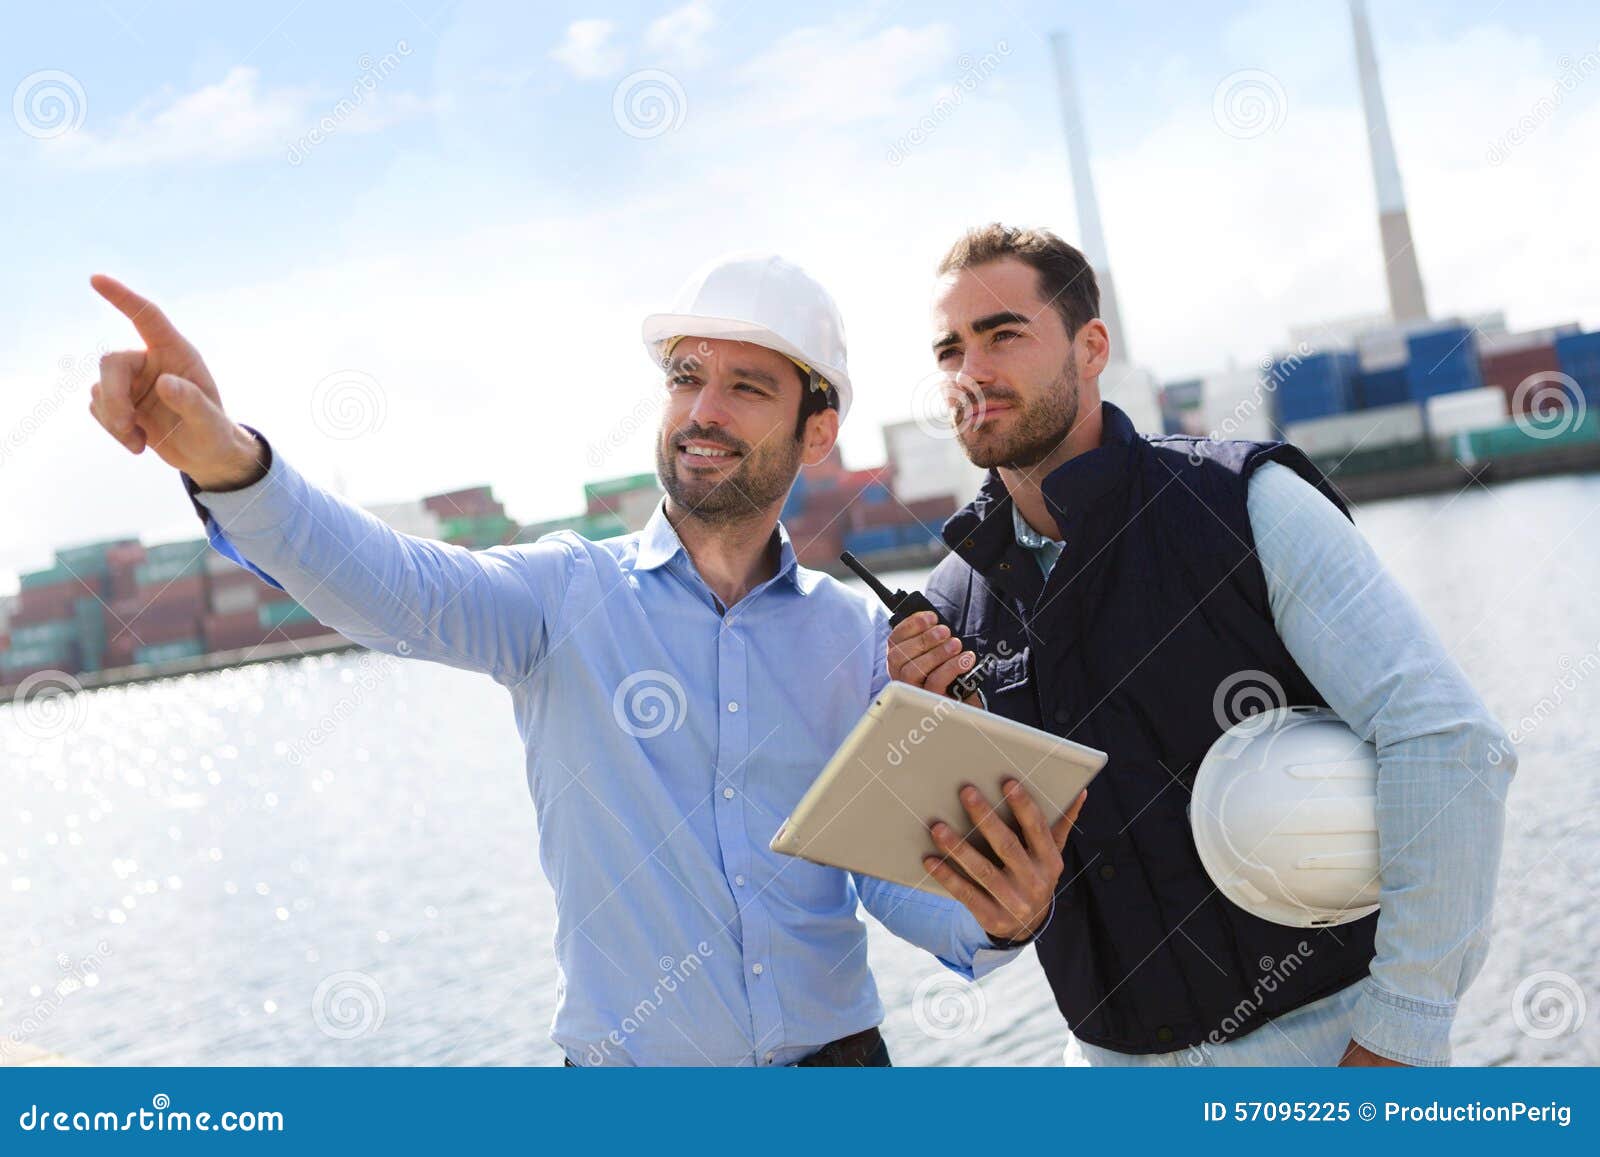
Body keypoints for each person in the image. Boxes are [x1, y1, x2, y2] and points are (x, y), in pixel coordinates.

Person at [86, 253, 1080, 1067]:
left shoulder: (856, 638)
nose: (704, 410)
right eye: (687, 376)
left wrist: (1002, 911)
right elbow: (391, 586)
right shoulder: (559, 599)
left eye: (746, 386)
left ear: (816, 428)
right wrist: (227, 459)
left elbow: (900, 889)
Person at [888, 224, 1514, 1067]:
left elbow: (1447, 742)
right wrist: (938, 766)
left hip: (1331, 1048)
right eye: (950, 349)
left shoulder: (1243, 503)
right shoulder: (947, 610)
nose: (971, 372)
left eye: (1003, 335)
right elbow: (961, 896)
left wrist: (1401, 1029)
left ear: (1091, 345)